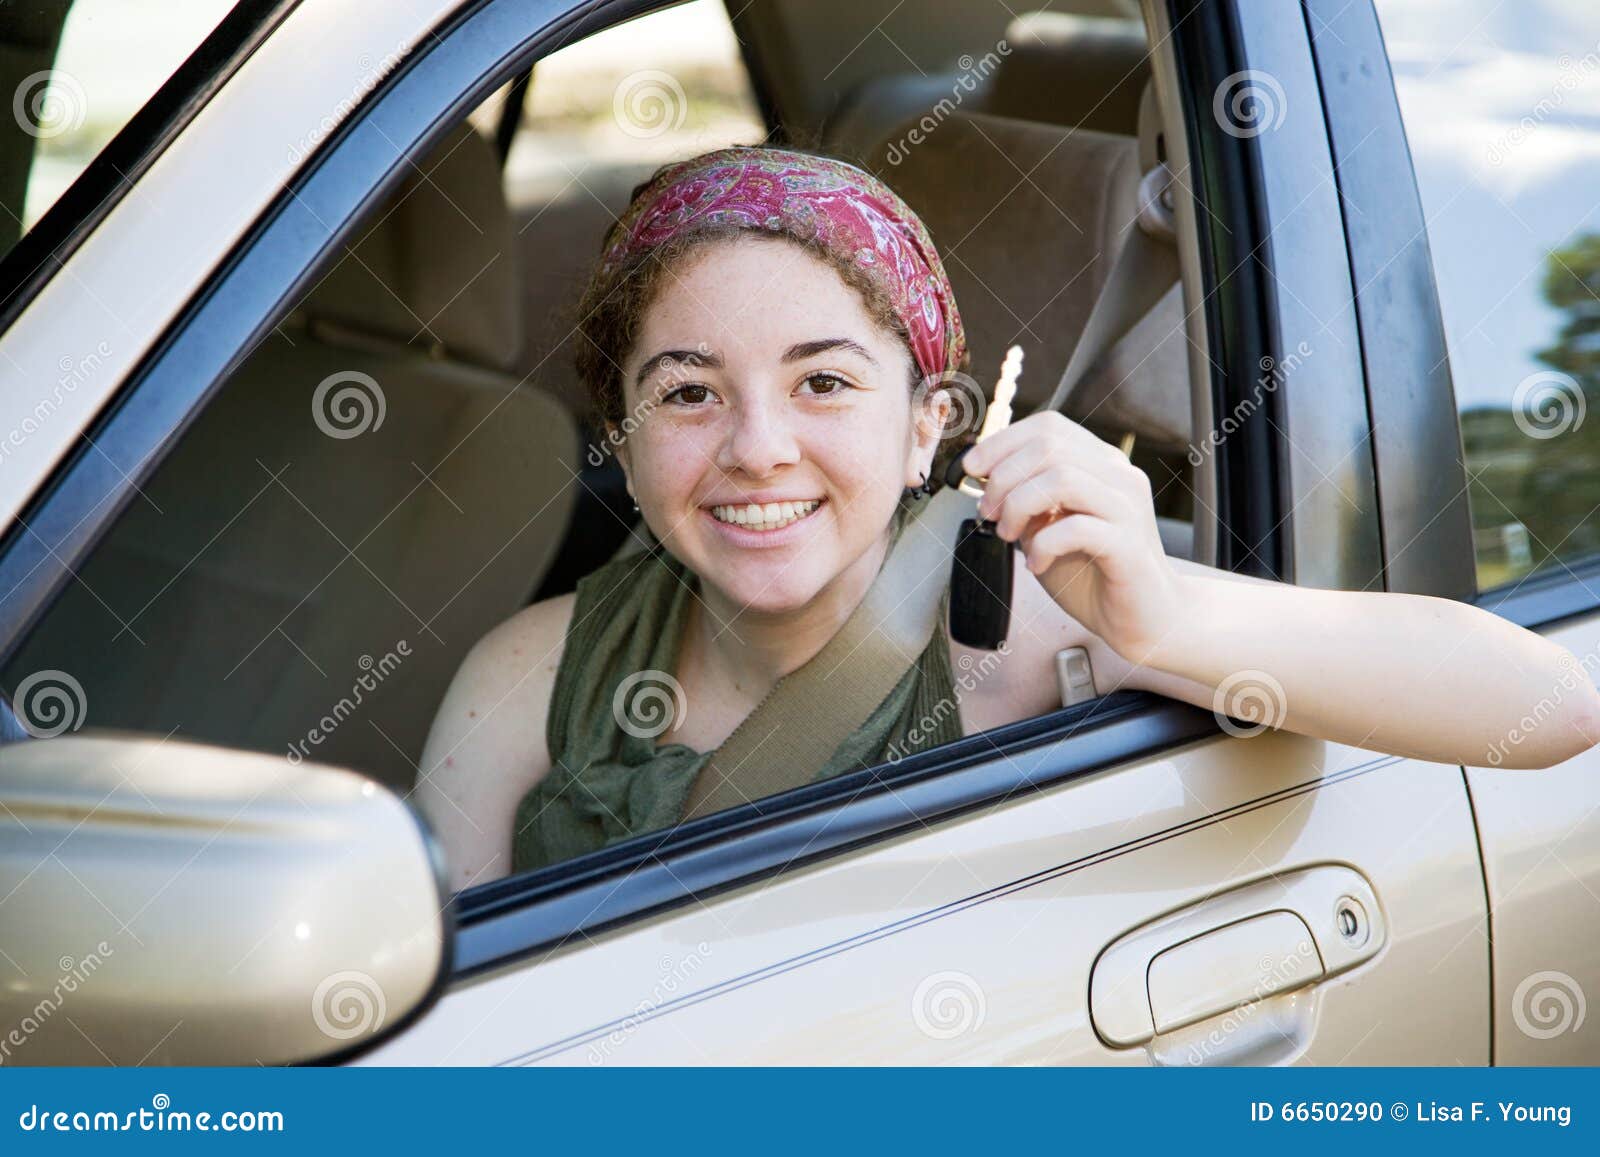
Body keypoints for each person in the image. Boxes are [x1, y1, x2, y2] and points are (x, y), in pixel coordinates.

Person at [417, 143, 1600, 892]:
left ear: (928, 425)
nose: (757, 446)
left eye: (824, 381)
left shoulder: (1046, 627)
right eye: (687, 391)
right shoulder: (529, 676)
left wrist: (1170, 616)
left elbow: (1549, 706)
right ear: (618, 433)